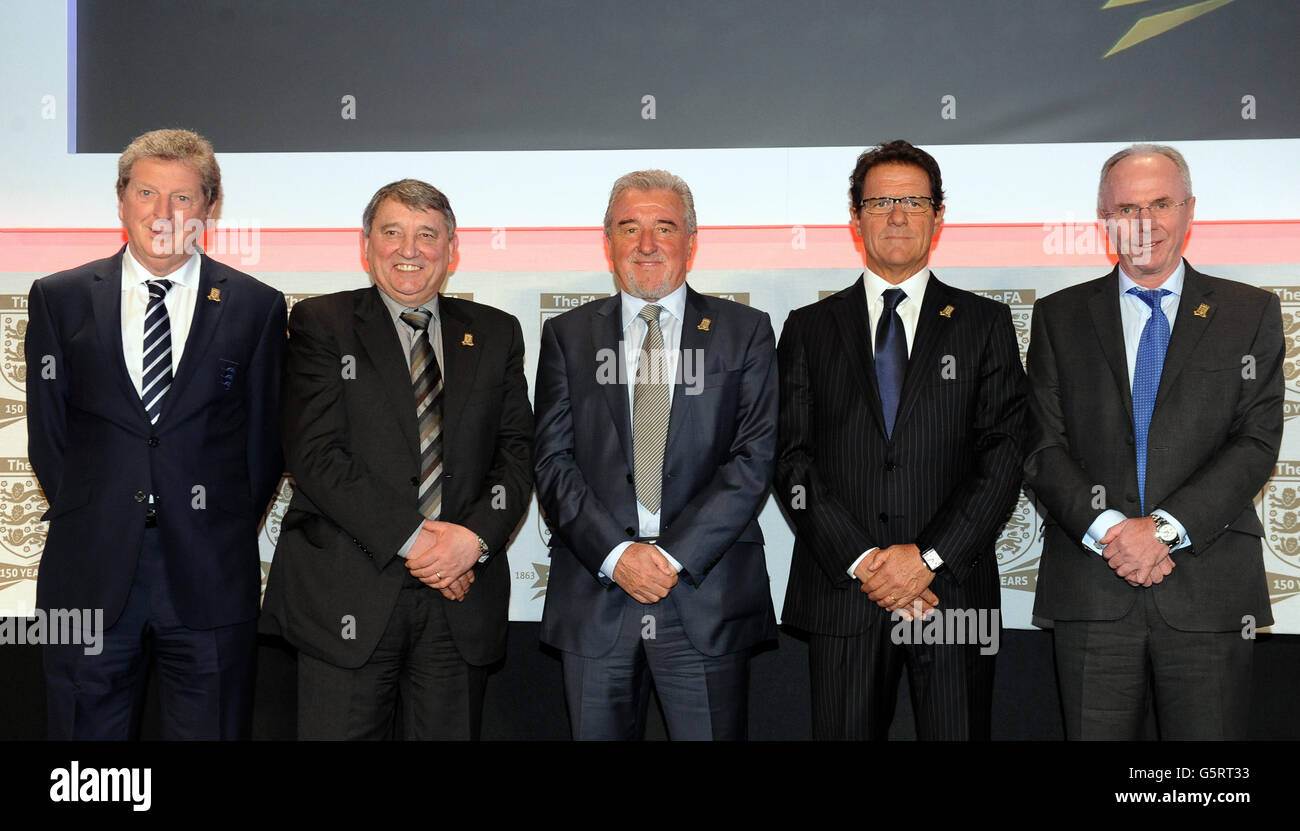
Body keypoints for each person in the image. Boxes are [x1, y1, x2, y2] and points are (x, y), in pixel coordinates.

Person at [25, 128, 286, 739]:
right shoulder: (58, 298)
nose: (163, 213)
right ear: (121, 200)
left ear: (210, 208)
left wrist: (211, 525)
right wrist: (100, 512)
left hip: (210, 577)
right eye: (147, 192)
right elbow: (50, 438)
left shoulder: (257, 306)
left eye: (184, 198)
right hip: (89, 571)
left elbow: (263, 447)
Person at [1025, 144, 1282, 739]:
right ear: (1105, 219)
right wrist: (1115, 532)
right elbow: (1041, 444)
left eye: (1162, 203)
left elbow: (1256, 441)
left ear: (1190, 210)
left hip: (1210, 589)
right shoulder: (1059, 317)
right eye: (1127, 208)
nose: (1146, 223)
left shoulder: (1250, 312)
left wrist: (1162, 529)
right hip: (1092, 586)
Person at [260, 179, 532, 740]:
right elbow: (315, 456)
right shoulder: (321, 324)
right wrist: (426, 544)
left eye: (427, 235)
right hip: (346, 599)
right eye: (392, 232)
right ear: (366, 245)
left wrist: (471, 543)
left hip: (459, 602)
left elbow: (517, 454)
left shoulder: (496, 333)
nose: (409, 250)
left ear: (451, 250)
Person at [775, 140, 1025, 740]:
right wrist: (867, 563)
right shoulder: (809, 328)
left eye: (912, 201)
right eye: (880, 201)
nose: (896, 215)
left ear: (938, 217)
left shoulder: (983, 324)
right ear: (855, 216)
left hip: (951, 596)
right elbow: (790, 462)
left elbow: (1004, 454)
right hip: (844, 595)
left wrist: (927, 559)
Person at [533, 170, 778, 740]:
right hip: (597, 597)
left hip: (703, 593)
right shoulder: (567, 335)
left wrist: (669, 558)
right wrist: (618, 554)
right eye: (629, 228)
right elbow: (552, 460)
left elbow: (753, 457)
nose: (646, 245)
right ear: (608, 241)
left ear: (691, 240)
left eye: (663, 227)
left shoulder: (745, 332)